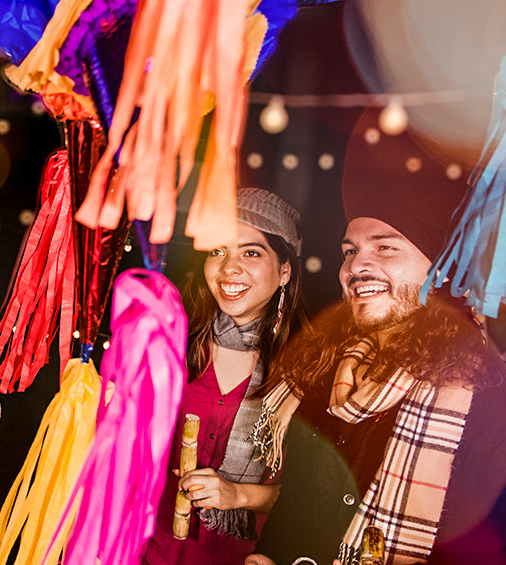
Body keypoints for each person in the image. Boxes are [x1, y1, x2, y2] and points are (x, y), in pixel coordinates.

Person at [246, 129, 506, 565]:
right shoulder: (326, 366)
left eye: (385, 247)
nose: (356, 266)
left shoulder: (486, 399)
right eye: (350, 251)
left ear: (438, 269)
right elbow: (299, 502)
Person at [142, 188, 305, 565]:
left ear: (284, 270)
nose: (229, 267)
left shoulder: (306, 367)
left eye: (251, 252)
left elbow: (311, 492)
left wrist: (238, 495)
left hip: (236, 555)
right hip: (149, 546)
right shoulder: (173, 341)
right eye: (218, 250)